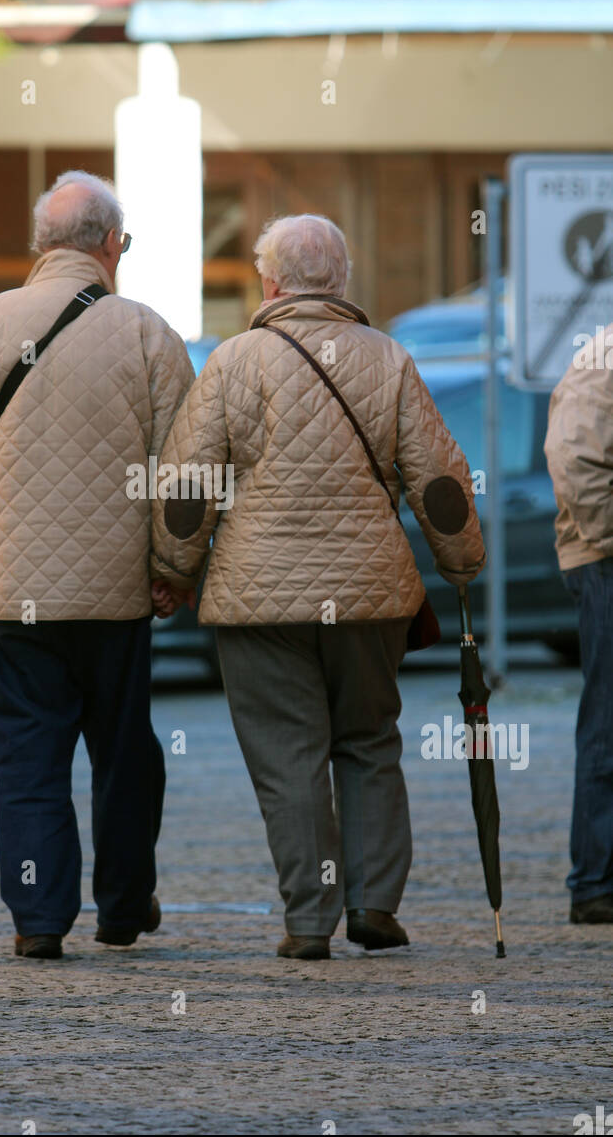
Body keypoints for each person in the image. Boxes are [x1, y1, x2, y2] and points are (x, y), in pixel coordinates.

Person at [151, 214, 485, 960]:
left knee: (286, 754)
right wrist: (461, 562)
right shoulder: (389, 359)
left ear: (269, 283)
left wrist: (172, 571)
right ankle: (373, 905)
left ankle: (308, 921)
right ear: (343, 280)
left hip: (258, 596)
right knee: (368, 740)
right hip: (370, 592)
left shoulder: (235, 362)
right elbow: (437, 477)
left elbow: (187, 482)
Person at [0, 171, 194, 958]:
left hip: (10, 589)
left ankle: (38, 917)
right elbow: (183, 472)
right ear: (109, 245)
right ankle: (124, 908)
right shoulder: (147, 333)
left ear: (38, 246)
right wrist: (174, 565)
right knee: (125, 755)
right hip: (116, 591)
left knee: (28, 755)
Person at [544, 327, 613, 925]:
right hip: (604, 563)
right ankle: (594, 881)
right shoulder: (605, 355)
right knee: (607, 720)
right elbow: (575, 458)